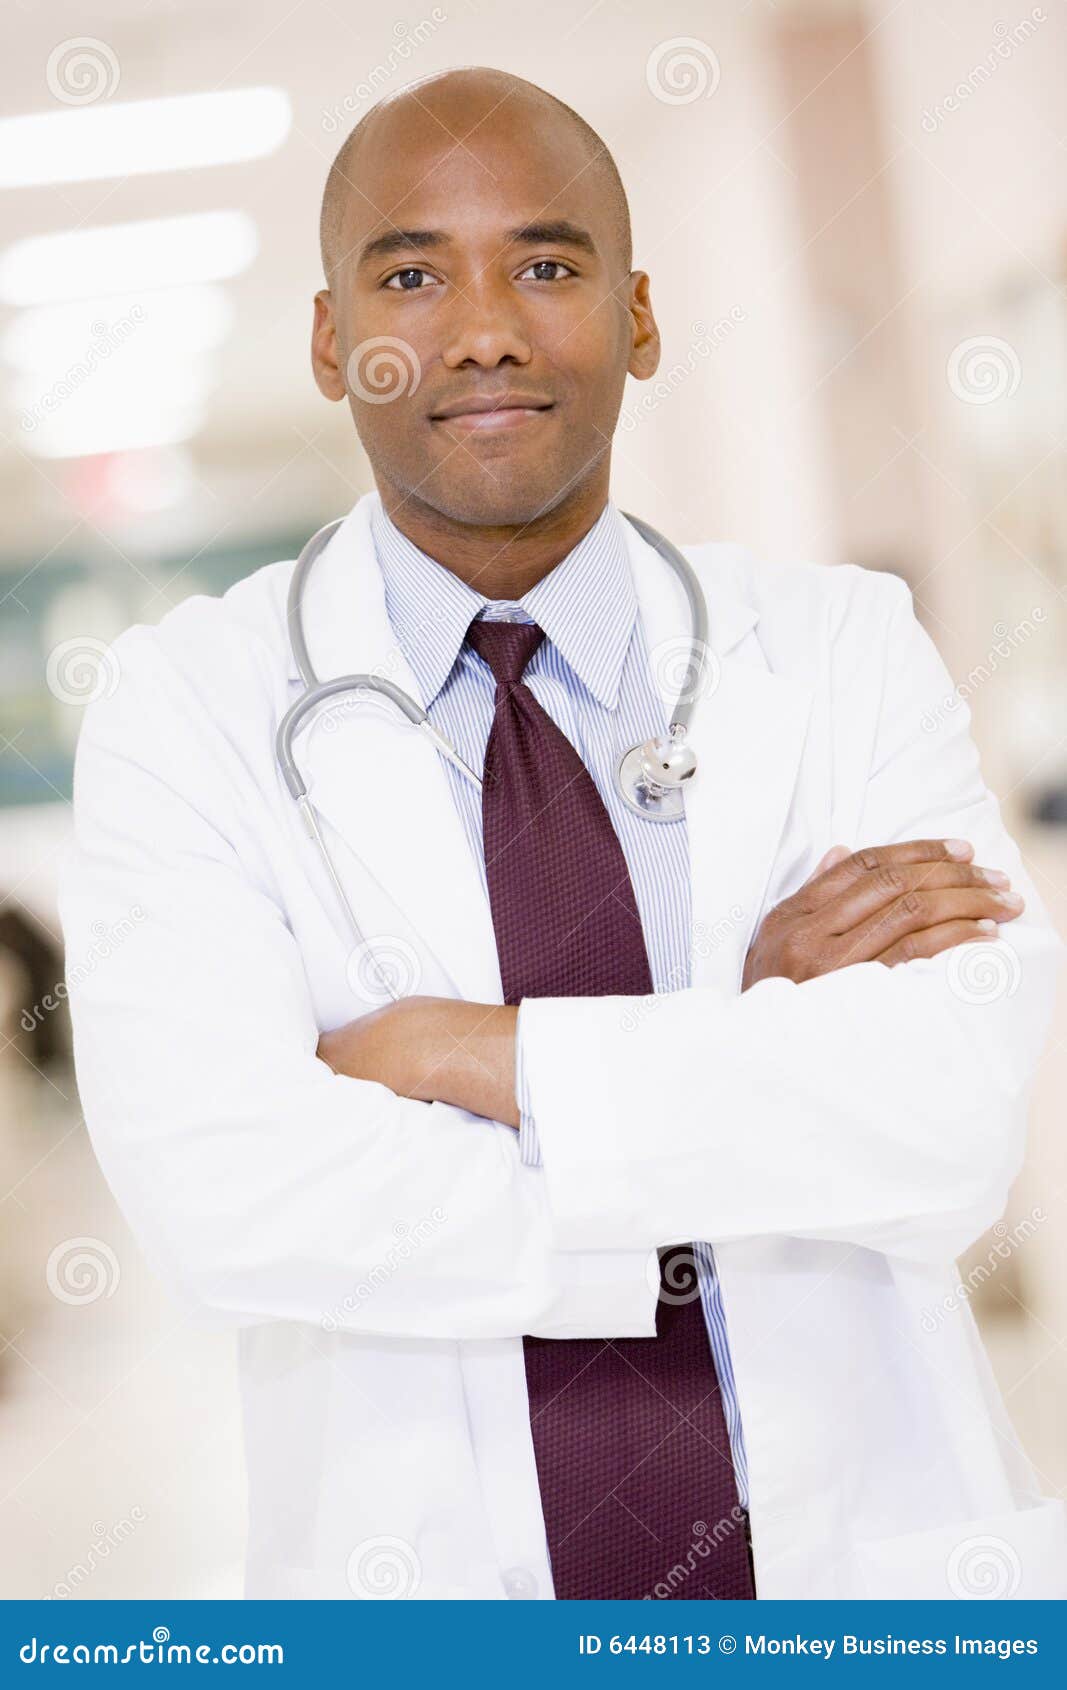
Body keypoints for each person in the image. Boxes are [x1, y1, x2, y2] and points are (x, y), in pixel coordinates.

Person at [60, 67, 1066, 1601]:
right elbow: (228, 1193)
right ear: (333, 343)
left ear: (640, 316)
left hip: (866, 1580)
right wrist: (739, 1045)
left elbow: (948, 1125)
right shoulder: (182, 705)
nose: (482, 329)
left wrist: (475, 1053)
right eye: (410, 274)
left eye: (547, 262)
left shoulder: (844, 647)